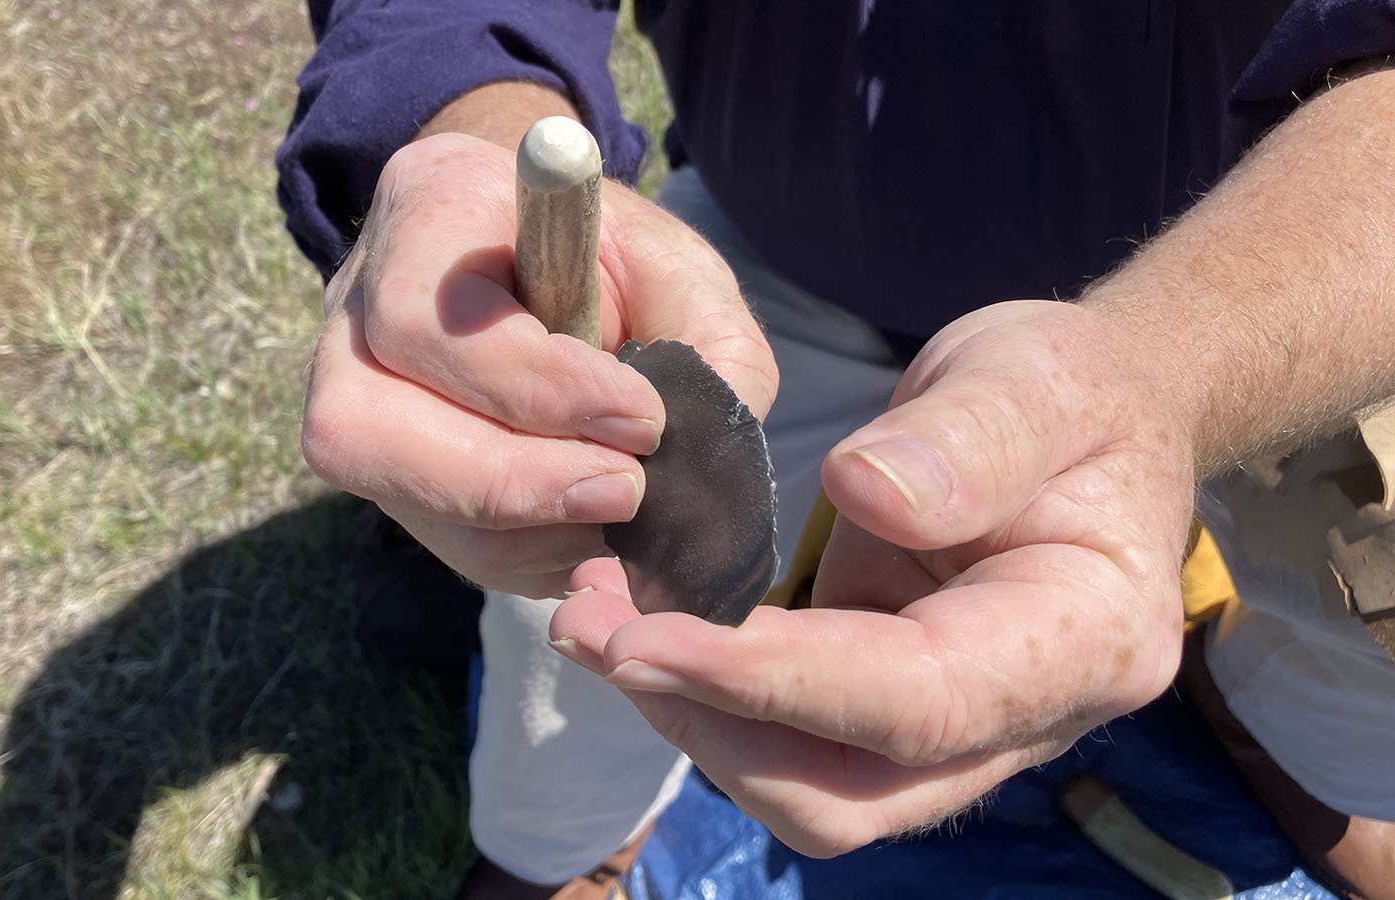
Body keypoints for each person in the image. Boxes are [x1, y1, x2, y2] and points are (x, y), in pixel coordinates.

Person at [276, 2, 1395, 897]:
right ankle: (562, 853)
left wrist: (1165, 367)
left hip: (1279, 278)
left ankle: (1282, 749)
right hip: (776, 263)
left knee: (1364, 654)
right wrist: (466, 132)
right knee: (573, 582)